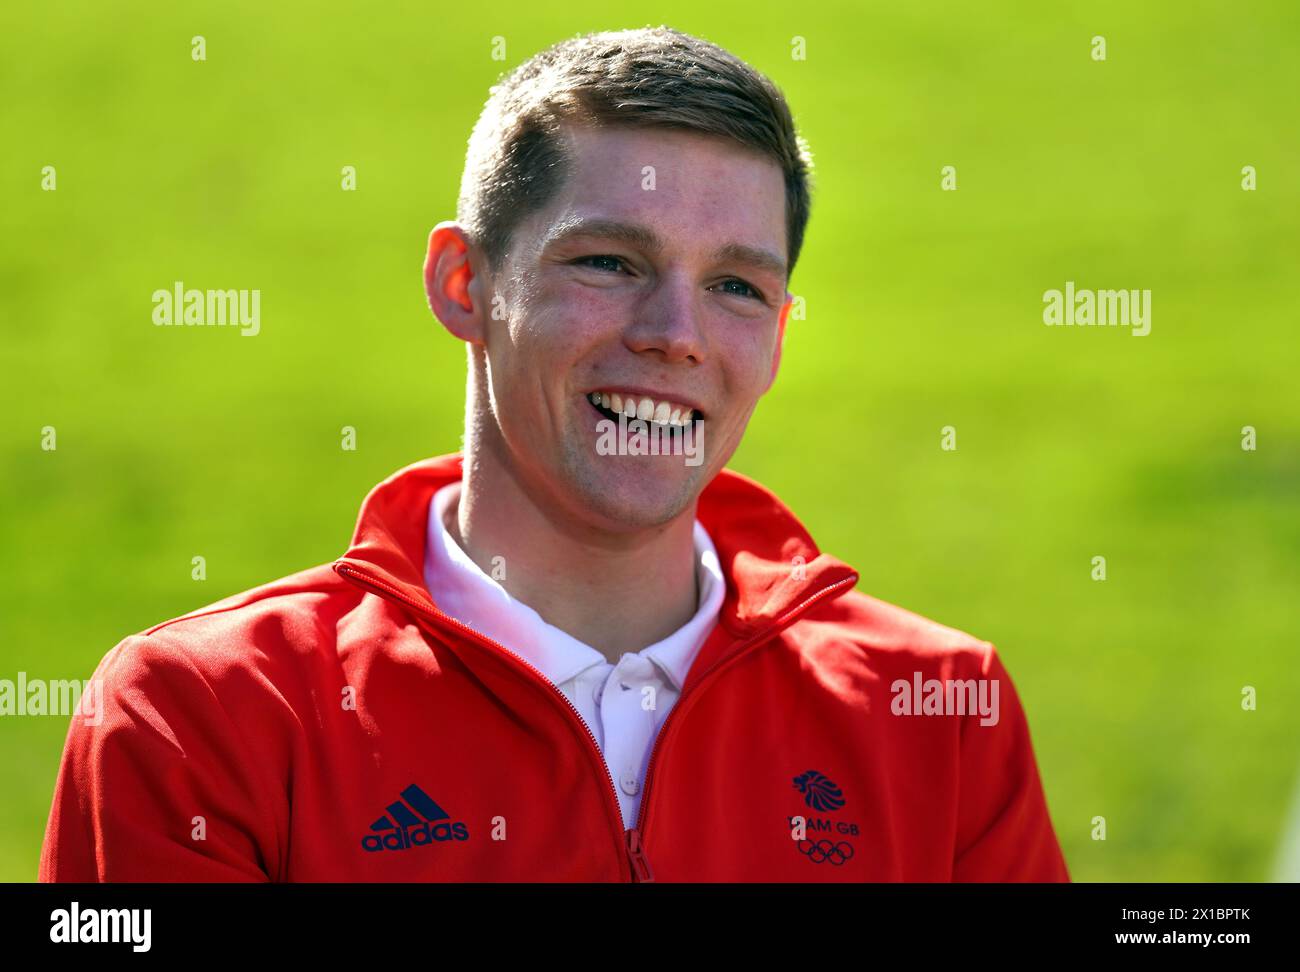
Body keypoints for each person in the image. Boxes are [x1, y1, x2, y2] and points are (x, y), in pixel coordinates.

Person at [39, 25, 1068, 882]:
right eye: (610, 262)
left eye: (737, 286)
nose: (677, 333)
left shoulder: (937, 710)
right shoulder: (203, 716)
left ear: (779, 337)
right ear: (463, 285)